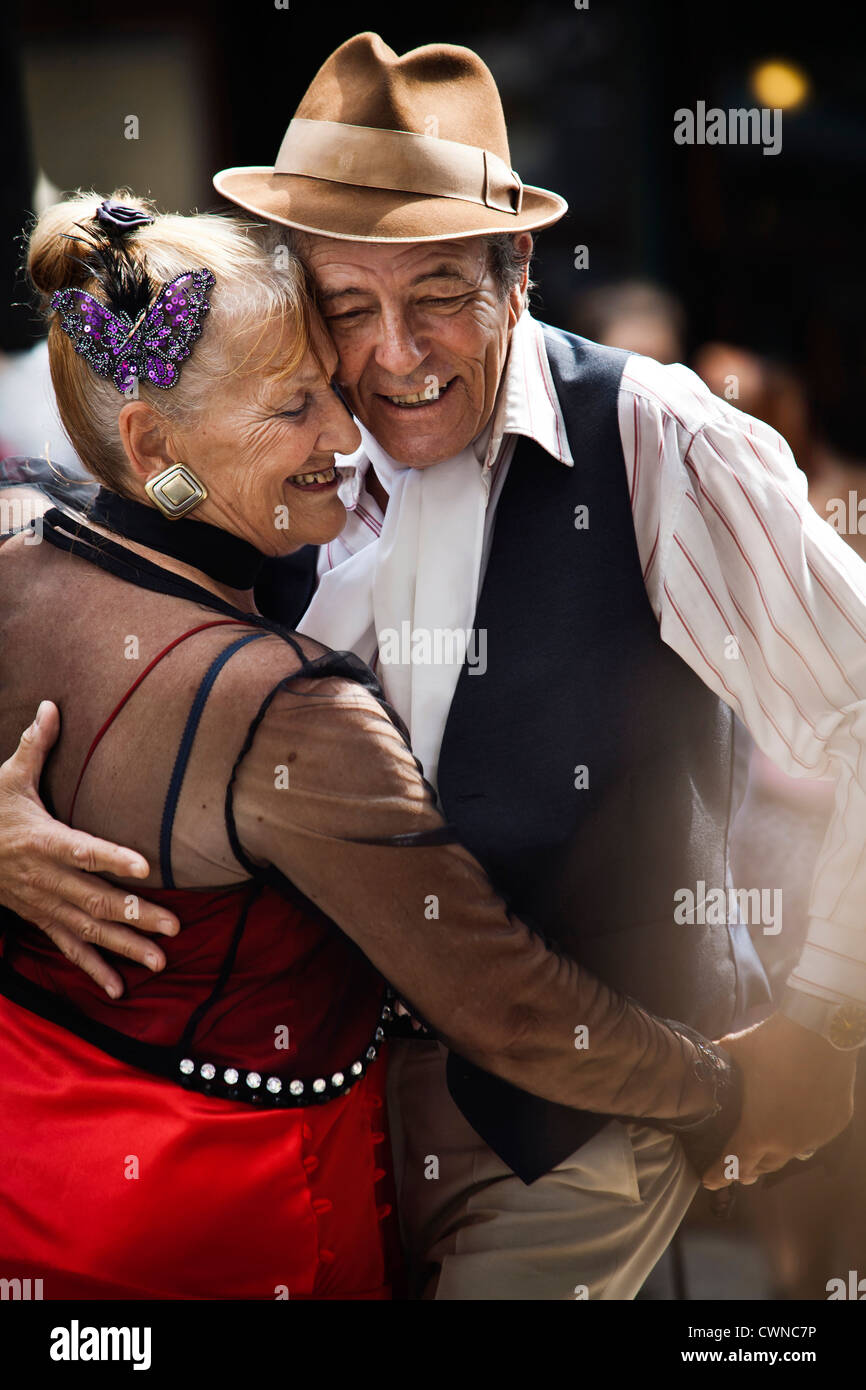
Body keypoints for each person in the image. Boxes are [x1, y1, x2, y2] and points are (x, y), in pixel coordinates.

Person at [2, 33, 865, 1300]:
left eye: (441, 294)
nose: (395, 357)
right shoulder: (253, 467)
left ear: (518, 269)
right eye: (348, 309)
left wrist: (818, 1015)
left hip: (572, 1126)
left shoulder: (651, 435)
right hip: (318, 1129)